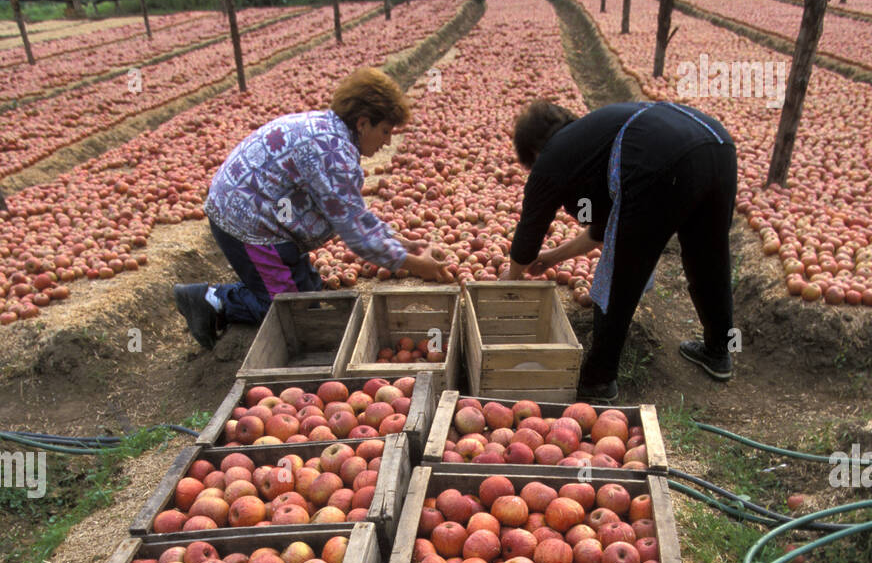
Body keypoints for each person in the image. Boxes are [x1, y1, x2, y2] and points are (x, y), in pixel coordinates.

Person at [174, 66, 449, 349]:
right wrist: (415, 264)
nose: (388, 141)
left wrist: (402, 243)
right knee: (292, 314)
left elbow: (351, 214)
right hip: (249, 220)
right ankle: (210, 299)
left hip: (260, 209)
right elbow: (356, 235)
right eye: (385, 131)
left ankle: (251, 288)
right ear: (363, 123)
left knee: (310, 293)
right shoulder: (332, 152)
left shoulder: (330, 133)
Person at [505, 99, 739, 401]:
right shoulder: (599, 138)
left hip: (668, 158)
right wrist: (552, 258)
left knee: (622, 270)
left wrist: (511, 277)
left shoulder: (554, 155)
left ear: (535, 152)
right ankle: (719, 351)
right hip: (718, 146)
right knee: (708, 256)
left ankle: (599, 379)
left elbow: (528, 232)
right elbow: (603, 229)